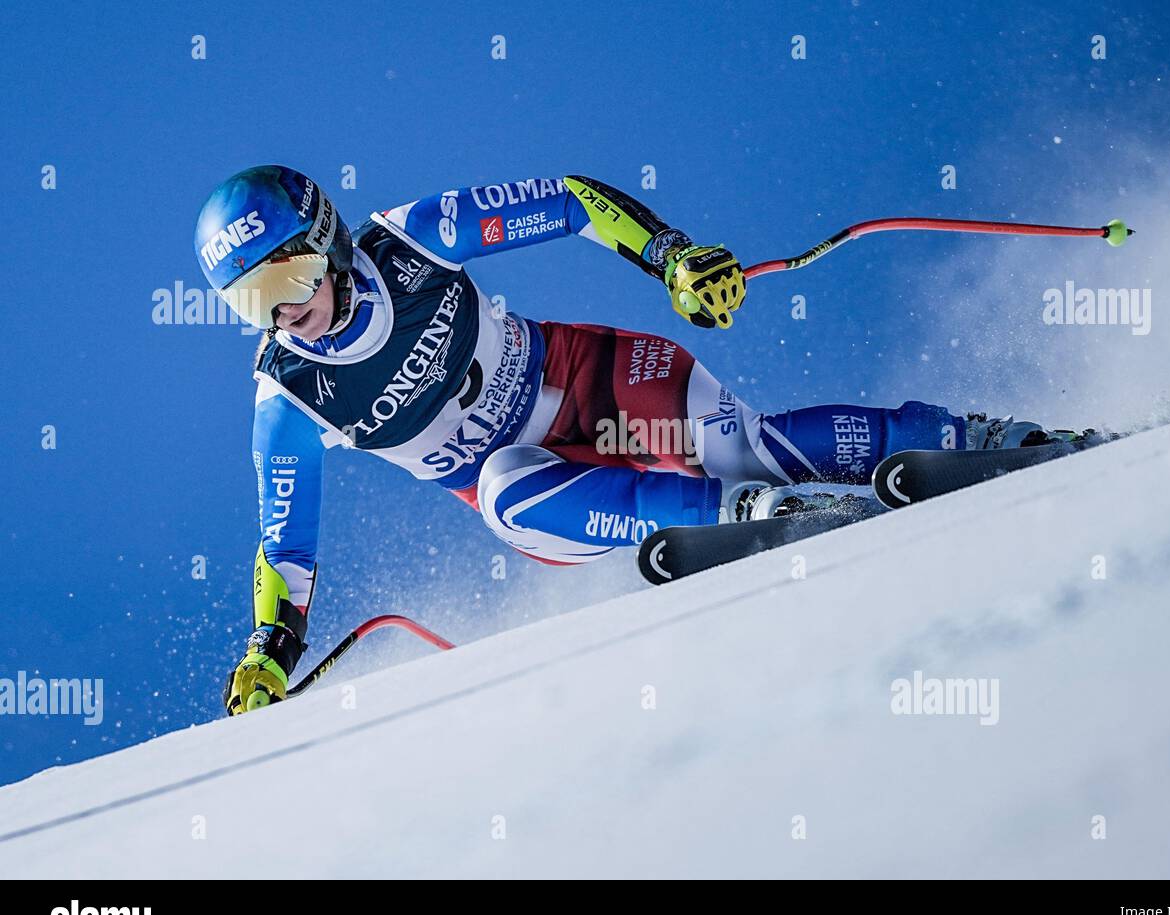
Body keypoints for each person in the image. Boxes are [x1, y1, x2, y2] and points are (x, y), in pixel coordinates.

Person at [195, 165, 1080, 715]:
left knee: (746, 446)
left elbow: (573, 201)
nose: (285, 313)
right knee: (503, 484)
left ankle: (976, 436)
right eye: (252, 302)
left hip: (591, 381)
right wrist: (268, 656)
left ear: (329, 244)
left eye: (292, 277)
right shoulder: (289, 395)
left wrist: (672, 258)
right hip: (546, 487)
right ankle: (749, 514)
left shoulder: (410, 243)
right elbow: (288, 545)